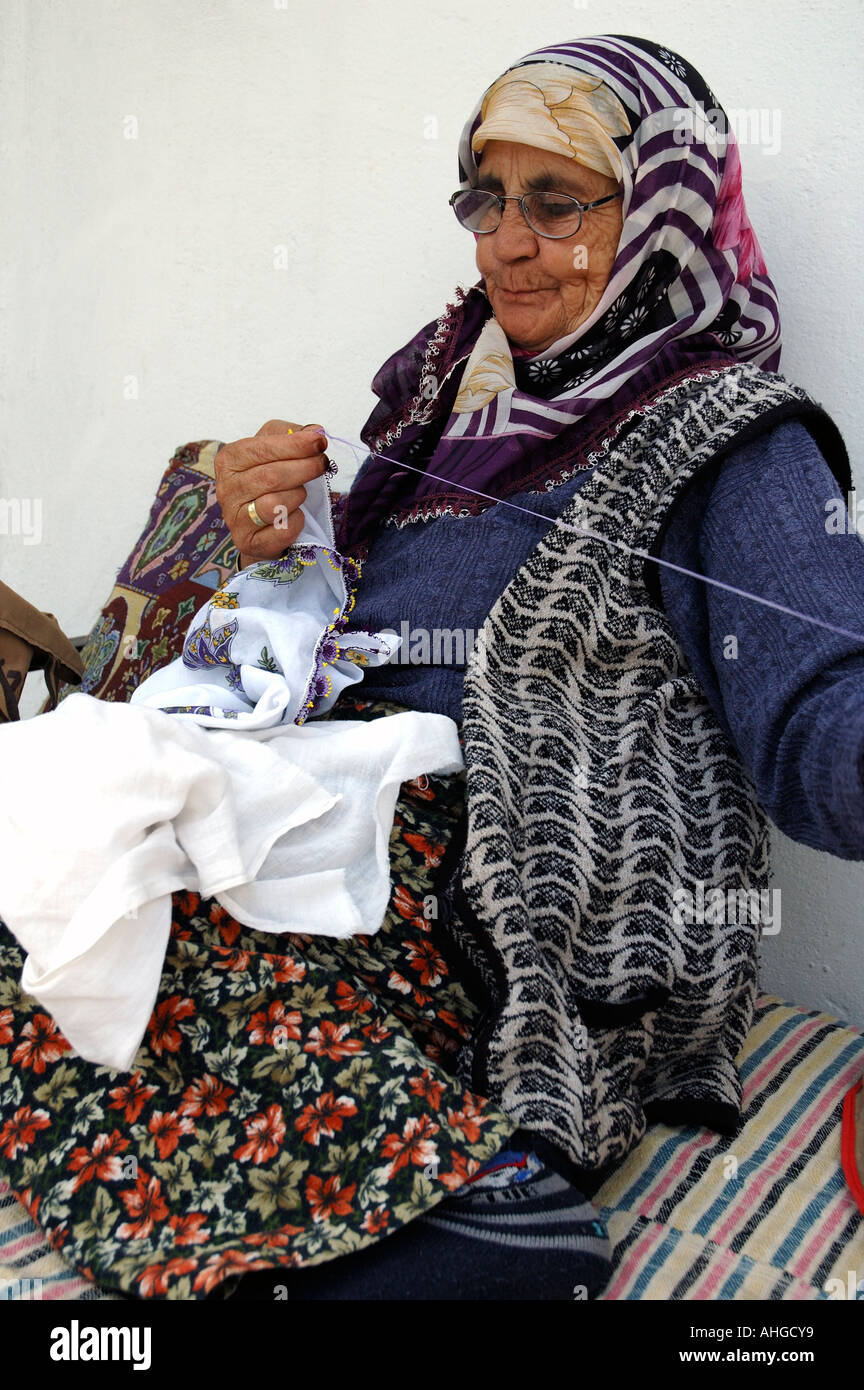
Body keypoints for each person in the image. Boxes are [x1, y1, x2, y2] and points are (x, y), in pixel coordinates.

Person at [1, 34, 862, 1303]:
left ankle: (477, 1220)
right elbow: (341, 648)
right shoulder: (442, 403)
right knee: (59, 911)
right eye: (485, 197)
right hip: (321, 803)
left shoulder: (733, 441)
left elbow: (821, 714)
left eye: (555, 199)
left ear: (667, 208)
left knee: (161, 933)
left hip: (499, 878)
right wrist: (272, 555)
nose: (505, 242)